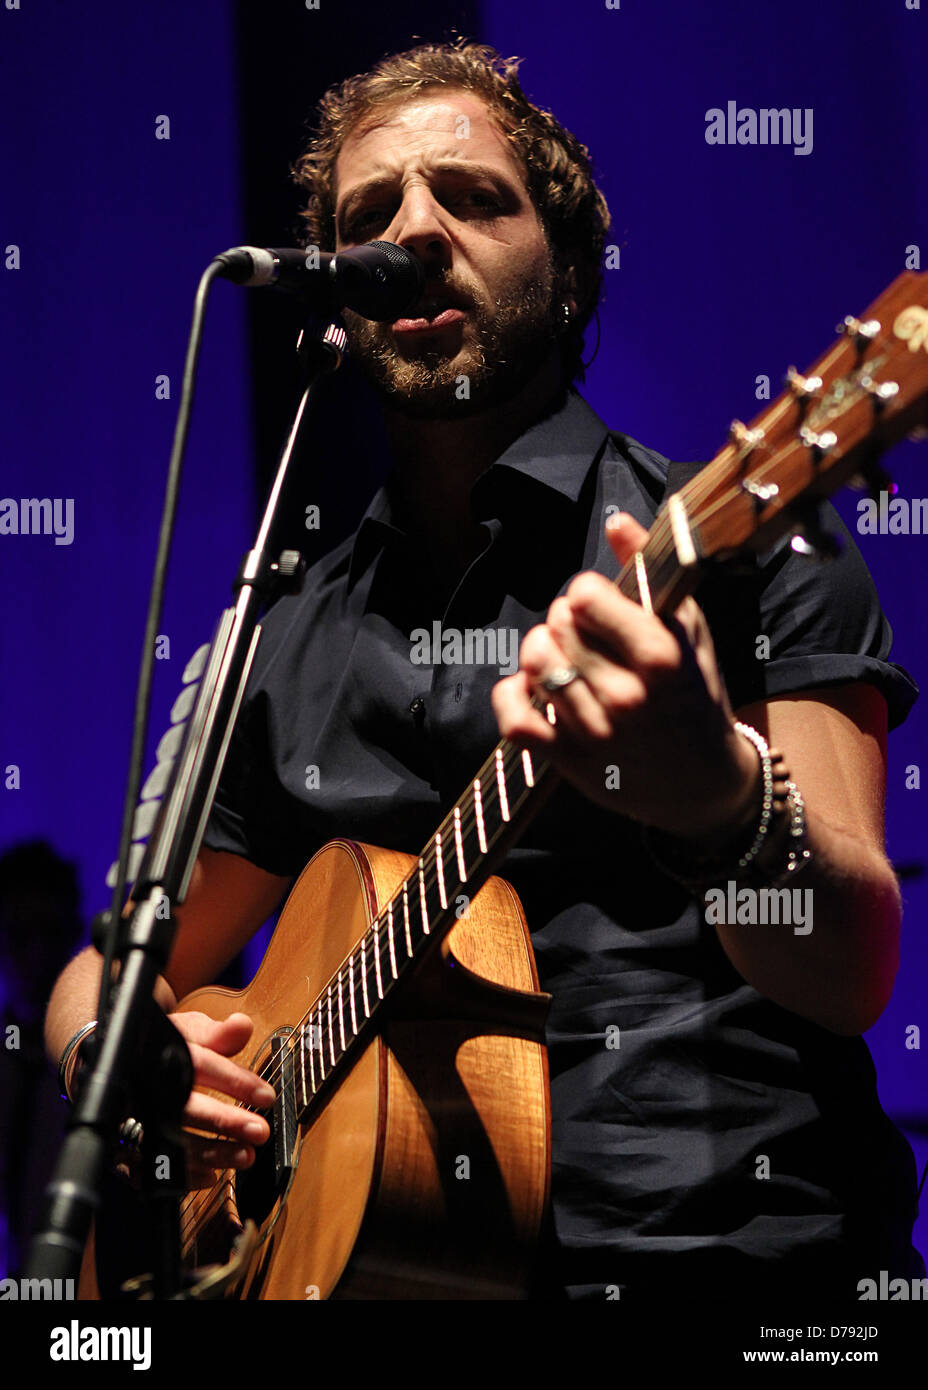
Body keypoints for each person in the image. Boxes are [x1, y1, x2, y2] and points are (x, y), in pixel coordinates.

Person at [44, 40, 923, 1304]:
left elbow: (850, 972)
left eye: (472, 196)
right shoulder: (286, 627)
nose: (414, 229)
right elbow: (114, 966)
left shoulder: (742, 539)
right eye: (370, 216)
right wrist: (111, 1061)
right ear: (338, 303)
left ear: (565, 273)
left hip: (726, 1273)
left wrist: (717, 802)